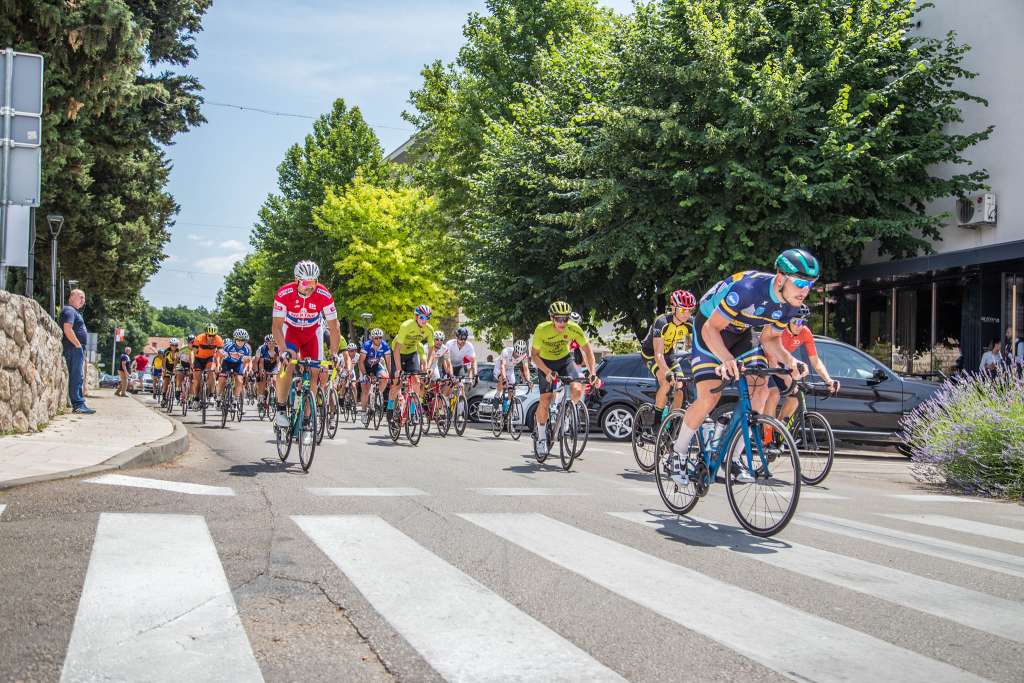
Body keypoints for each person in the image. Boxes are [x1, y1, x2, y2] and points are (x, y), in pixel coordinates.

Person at [669, 249, 818, 485]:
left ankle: (734, 457)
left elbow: (770, 339)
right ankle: (678, 451)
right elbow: (711, 329)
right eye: (800, 282)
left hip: (740, 332)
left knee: (761, 387)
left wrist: (791, 361)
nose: (805, 290)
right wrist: (726, 359)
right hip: (710, 328)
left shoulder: (790, 305)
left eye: (811, 284)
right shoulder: (748, 290)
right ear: (780, 278)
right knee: (708, 397)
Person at [272, 260, 342, 436]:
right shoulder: (284, 293)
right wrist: (283, 351)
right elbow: (276, 326)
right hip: (291, 332)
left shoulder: (324, 294)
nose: (310, 287)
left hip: (312, 333)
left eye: (313, 282)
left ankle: (306, 422)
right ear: (296, 280)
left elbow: (334, 327)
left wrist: (334, 353)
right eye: (305, 283)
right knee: (287, 363)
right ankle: (280, 409)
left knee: (314, 372)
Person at [761, 304, 839, 447]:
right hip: (766, 359)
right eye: (796, 321)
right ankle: (767, 438)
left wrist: (828, 379)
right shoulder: (780, 330)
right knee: (774, 394)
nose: (799, 325)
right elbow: (771, 359)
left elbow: (815, 361)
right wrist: (786, 377)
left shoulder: (805, 333)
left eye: (803, 322)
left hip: (783, 361)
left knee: (795, 396)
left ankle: (779, 428)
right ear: (789, 320)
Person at [531, 301, 601, 456]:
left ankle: (567, 416)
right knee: (546, 399)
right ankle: (542, 438)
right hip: (545, 362)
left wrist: (593, 373)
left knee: (577, 388)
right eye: (558, 319)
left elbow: (588, 352)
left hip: (564, 360)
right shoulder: (542, 329)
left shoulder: (574, 328)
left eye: (565, 319)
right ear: (551, 317)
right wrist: (547, 371)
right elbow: (534, 356)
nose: (562, 323)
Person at [639, 289, 696, 427]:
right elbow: (658, 354)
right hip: (651, 354)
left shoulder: (690, 323)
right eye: (683, 310)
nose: (686, 314)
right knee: (665, 381)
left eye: (690, 310)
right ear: (673, 308)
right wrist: (668, 372)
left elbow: (693, 348)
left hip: (669, 354)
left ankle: (671, 424)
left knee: (680, 387)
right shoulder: (662, 321)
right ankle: (657, 422)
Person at [388, 304, 435, 420]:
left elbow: (432, 350)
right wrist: (399, 370)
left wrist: (428, 367)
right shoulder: (406, 326)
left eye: (427, 318)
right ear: (416, 317)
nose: (425, 321)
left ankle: (413, 412)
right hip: (398, 352)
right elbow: (397, 349)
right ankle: (389, 408)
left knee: (416, 381)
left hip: (411, 353)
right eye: (422, 317)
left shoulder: (429, 329)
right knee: (397, 384)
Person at [60, 289, 94, 413]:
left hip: (77, 348)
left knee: (78, 376)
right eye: (81, 297)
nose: (83, 300)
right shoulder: (69, 310)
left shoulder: (74, 311)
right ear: (72, 296)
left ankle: (80, 403)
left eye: (84, 298)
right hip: (73, 348)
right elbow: (67, 329)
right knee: (76, 377)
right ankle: (78, 405)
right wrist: (78, 345)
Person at [494, 339, 532, 412]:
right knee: (502, 379)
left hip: (510, 369)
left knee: (511, 387)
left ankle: (508, 408)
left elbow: (526, 369)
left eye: (519, 355)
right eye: (516, 354)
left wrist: (529, 381)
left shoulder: (524, 356)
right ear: (514, 349)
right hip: (499, 368)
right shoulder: (506, 351)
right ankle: (497, 395)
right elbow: (503, 366)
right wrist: (504, 379)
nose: (517, 356)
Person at [218, 329, 252, 407]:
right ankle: (219, 397)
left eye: (242, 340)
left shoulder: (247, 348)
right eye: (238, 340)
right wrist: (219, 365)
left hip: (238, 364)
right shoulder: (228, 345)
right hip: (227, 363)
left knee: (239, 380)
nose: (240, 342)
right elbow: (219, 356)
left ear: (245, 340)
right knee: (222, 379)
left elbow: (248, 360)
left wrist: (245, 369)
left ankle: (235, 399)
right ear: (235, 339)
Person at [359, 328, 391, 412]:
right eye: (376, 338)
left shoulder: (385, 345)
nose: (378, 340)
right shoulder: (366, 345)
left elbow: (388, 362)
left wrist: (391, 374)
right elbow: (361, 362)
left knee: (385, 377)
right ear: (372, 338)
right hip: (365, 367)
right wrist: (365, 374)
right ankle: (363, 411)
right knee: (365, 390)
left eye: (380, 337)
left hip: (376, 366)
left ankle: (378, 395)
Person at [191, 324, 223, 404]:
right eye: (209, 336)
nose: (211, 337)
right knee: (197, 379)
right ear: (206, 334)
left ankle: (211, 395)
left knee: (211, 372)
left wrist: (218, 365)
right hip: (198, 358)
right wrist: (192, 363)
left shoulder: (218, 339)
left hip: (210, 358)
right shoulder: (199, 338)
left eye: (213, 335)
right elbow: (193, 352)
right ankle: (196, 398)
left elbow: (220, 354)